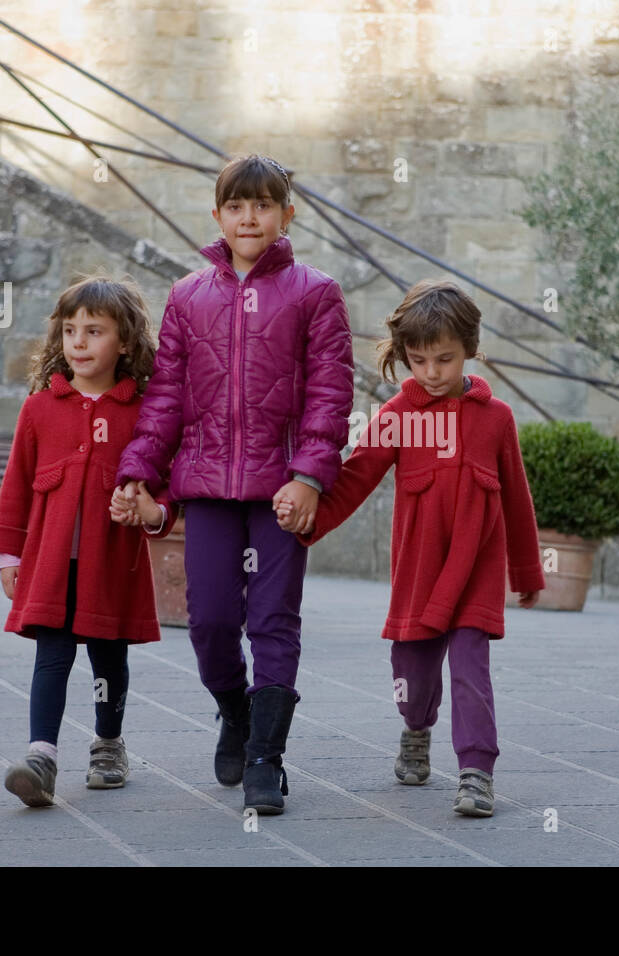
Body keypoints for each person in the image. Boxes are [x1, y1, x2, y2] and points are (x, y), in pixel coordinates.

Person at [116, 154, 354, 815]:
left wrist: (310, 476)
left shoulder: (315, 292)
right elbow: (164, 396)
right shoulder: (188, 296)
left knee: (273, 621)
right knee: (212, 620)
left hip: (282, 490)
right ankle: (234, 710)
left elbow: (332, 394)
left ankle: (265, 760)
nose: (250, 216)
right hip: (207, 486)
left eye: (264, 204)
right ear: (217, 215)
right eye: (237, 205)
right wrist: (138, 472)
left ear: (287, 215)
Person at [277, 279, 544, 817]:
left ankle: (475, 771)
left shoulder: (498, 420)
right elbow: (354, 479)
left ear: (470, 348)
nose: (431, 372)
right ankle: (416, 726)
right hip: (419, 575)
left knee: (472, 669)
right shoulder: (398, 416)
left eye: (443, 359)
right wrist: (312, 518)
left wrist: (528, 572)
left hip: (476, 573)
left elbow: (516, 498)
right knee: (412, 676)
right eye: (418, 360)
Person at [0, 275, 178, 808]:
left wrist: (149, 511)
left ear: (125, 343)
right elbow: (15, 488)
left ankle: (109, 743)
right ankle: (41, 756)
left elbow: (164, 490)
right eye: (70, 330)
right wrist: (9, 555)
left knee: (108, 657)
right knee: (51, 656)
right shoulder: (39, 409)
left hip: (111, 565)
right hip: (50, 565)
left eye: (94, 331)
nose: (78, 341)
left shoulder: (143, 412)